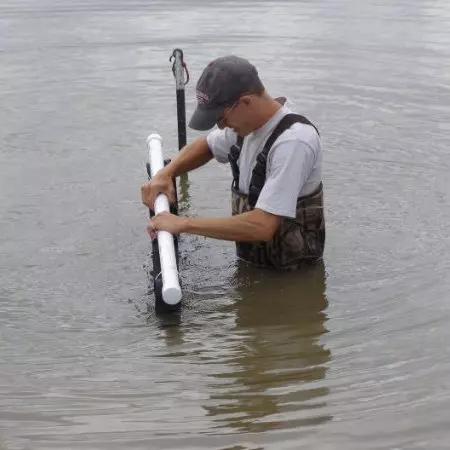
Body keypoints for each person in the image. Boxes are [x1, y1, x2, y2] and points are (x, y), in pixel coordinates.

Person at [141, 55, 325, 271]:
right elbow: (207, 146)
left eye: (221, 118)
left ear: (246, 102)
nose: (221, 127)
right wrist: (167, 173)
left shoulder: (294, 142)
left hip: (293, 277)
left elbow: (262, 226)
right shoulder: (246, 126)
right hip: (251, 265)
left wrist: (182, 223)